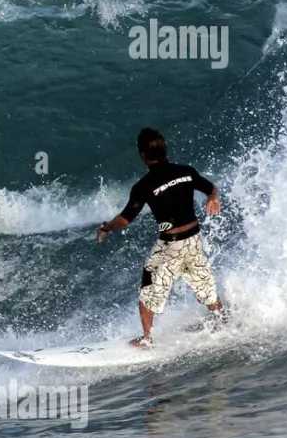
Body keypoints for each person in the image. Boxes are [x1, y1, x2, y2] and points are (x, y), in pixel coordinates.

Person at [96, 128, 224, 347]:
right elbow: (211, 188)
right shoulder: (186, 171)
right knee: (204, 284)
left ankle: (146, 339)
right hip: (194, 239)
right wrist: (213, 199)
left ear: (143, 155)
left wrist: (106, 227)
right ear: (164, 150)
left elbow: (125, 220)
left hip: (171, 246)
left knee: (148, 286)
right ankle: (222, 321)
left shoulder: (143, 186)